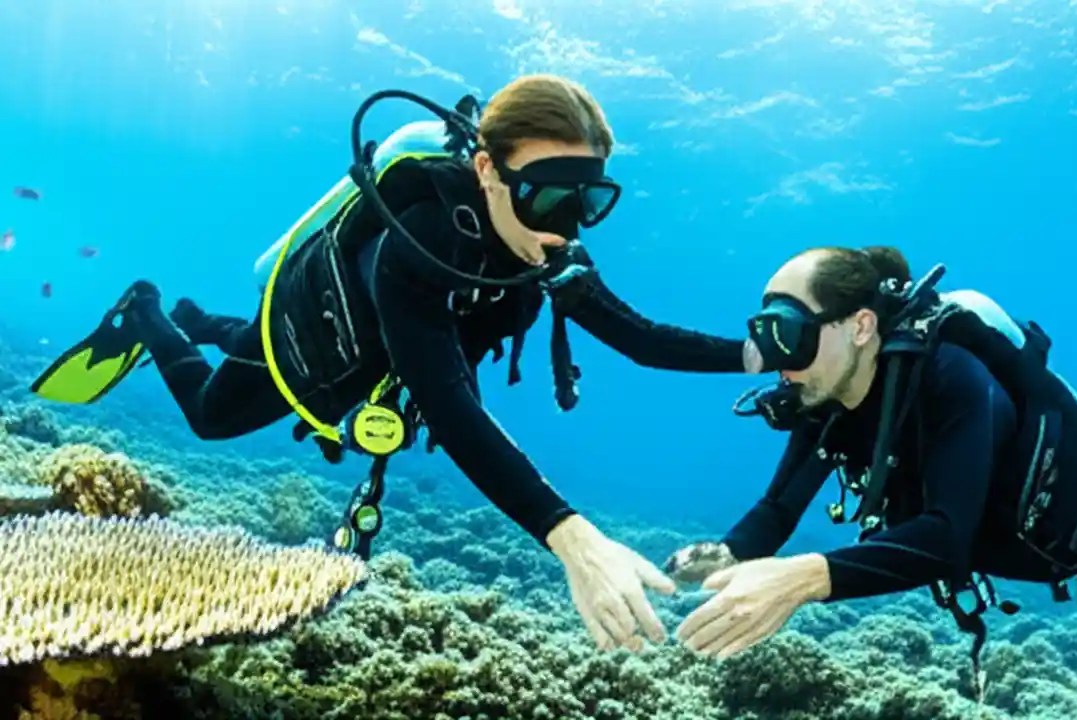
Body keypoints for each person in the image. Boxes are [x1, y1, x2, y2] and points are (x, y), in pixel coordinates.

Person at [31, 73, 764, 653]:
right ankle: (150, 311)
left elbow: (639, 338)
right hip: (318, 344)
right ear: (485, 169)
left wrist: (765, 356)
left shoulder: (548, 245)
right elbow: (447, 398)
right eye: (545, 196)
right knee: (211, 418)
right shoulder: (418, 234)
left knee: (242, 343)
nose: (564, 230)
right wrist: (570, 536)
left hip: (381, 353)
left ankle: (199, 319)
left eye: (589, 201)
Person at [664, 245, 1077, 696]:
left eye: (790, 334)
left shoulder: (951, 375)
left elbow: (945, 537)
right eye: (765, 335)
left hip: (1071, 517)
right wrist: (730, 554)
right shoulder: (823, 400)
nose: (778, 361)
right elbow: (777, 509)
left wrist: (802, 578)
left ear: (860, 326)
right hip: (997, 537)